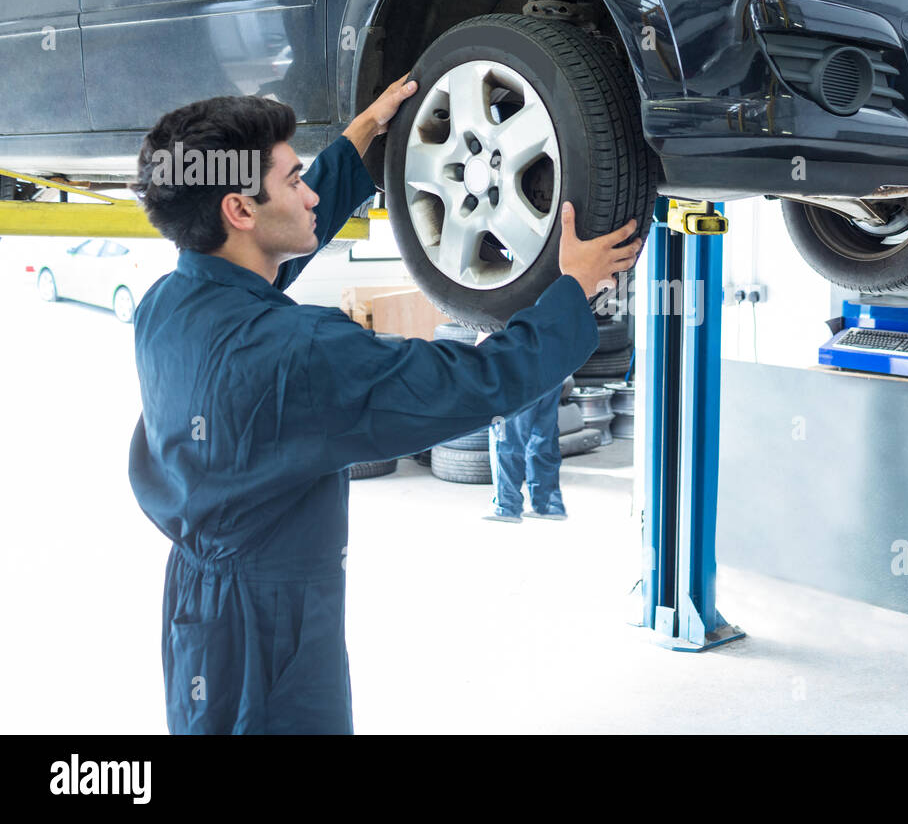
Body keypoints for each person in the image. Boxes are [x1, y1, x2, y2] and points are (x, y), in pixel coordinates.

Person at [127, 79, 640, 733]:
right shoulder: (300, 352)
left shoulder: (168, 303)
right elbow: (473, 384)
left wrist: (360, 137)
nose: (311, 193)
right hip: (269, 632)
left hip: (199, 607)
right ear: (239, 210)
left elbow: (260, 271)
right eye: (294, 182)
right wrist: (573, 290)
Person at [485, 378, 568, 523]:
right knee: (543, 440)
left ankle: (507, 508)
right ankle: (548, 505)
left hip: (517, 376)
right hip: (552, 375)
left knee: (505, 441)